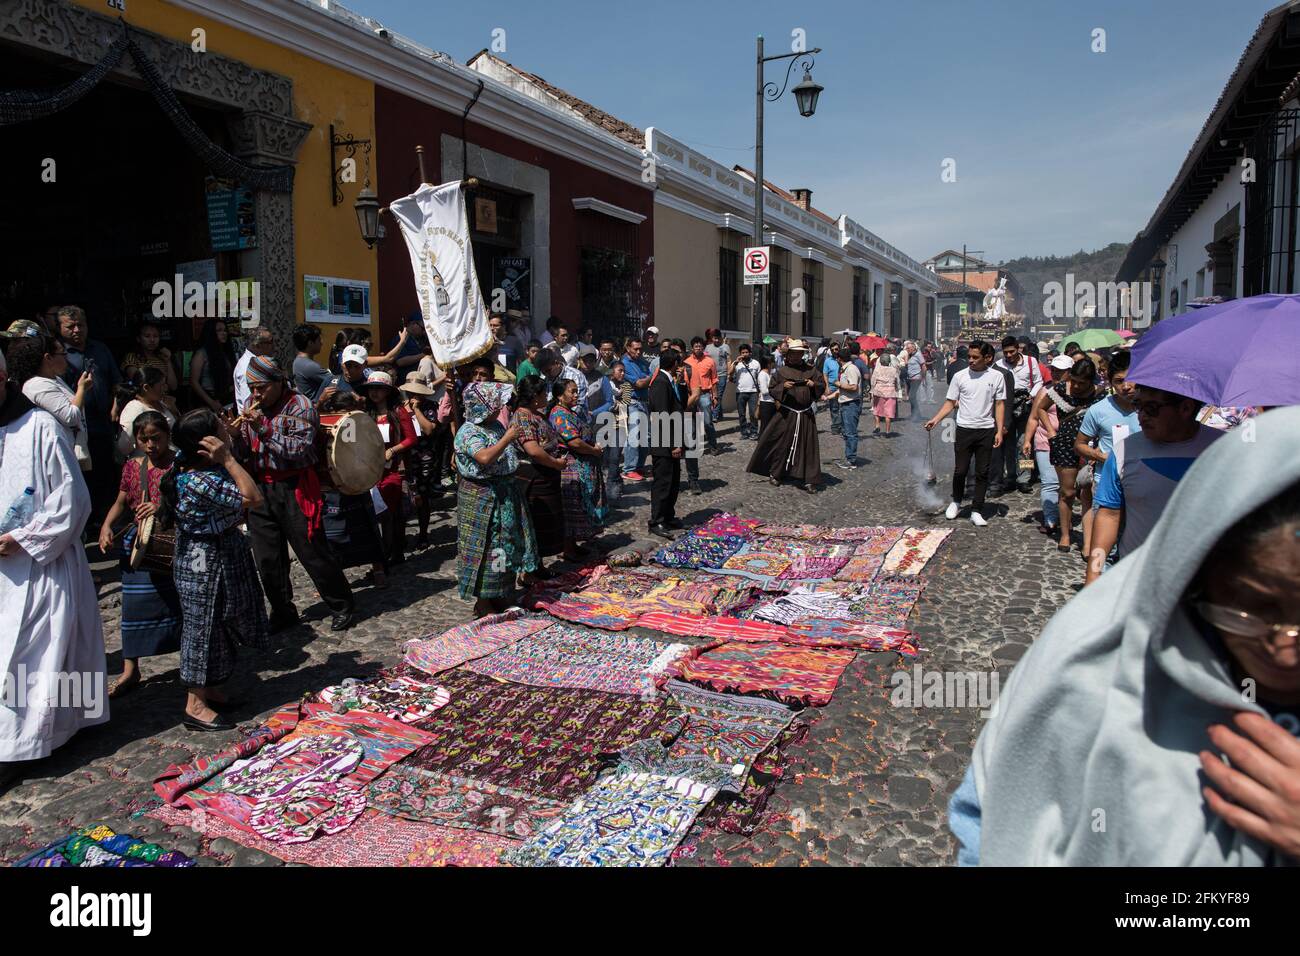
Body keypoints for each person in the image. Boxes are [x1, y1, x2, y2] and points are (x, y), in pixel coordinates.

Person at [950, 406, 1300, 865]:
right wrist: (1094, 569)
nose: (1285, 649)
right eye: (1255, 609)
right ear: (1202, 574)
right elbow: (991, 816)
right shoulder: (1092, 659)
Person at [0, 379, 109, 763]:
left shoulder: (42, 427)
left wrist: (24, 538)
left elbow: (73, 498)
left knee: (37, 652)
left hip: (43, 563)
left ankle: (23, 745)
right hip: (5, 572)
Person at [158, 410, 268, 731]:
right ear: (207, 444)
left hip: (218, 551)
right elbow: (253, 497)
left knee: (219, 624)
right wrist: (228, 458)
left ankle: (214, 689)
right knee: (202, 626)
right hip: (203, 559)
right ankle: (194, 704)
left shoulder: (189, 460)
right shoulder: (198, 480)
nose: (225, 429)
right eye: (220, 428)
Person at [234, 355, 356, 632]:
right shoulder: (250, 405)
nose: (256, 394)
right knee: (267, 558)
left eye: (261, 387)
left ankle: (341, 604)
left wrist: (262, 429)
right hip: (260, 488)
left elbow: (298, 450)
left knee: (312, 551)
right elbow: (245, 452)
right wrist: (235, 437)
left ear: (278, 382)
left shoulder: (301, 405)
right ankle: (282, 610)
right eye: (252, 388)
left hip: (293, 486)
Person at [1086, 384, 1223, 584]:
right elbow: (1109, 515)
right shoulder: (1124, 450)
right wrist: (1093, 574)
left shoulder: (1225, 449)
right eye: (1138, 406)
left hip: (1203, 585)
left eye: (1151, 408)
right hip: (1136, 580)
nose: (1141, 416)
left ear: (1185, 408)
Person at [96, 411, 181, 697]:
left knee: (179, 606)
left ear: (167, 436)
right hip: (137, 546)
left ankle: (191, 662)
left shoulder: (181, 465)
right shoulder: (132, 466)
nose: (150, 445)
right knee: (133, 609)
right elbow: (121, 502)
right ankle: (130, 669)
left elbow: (189, 501)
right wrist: (106, 526)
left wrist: (161, 508)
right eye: (144, 439)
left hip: (170, 543)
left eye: (156, 438)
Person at [453, 381, 536, 616]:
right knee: (487, 548)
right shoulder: (469, 432)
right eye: (494, 404)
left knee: (504, 546)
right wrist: (508, 438)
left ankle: (501, 594)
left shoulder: (496, 426)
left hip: (505, 495)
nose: (499, 408)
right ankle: (483, 601)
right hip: (483, 499)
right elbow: (484, 457)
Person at [925, 340, 1006, 528]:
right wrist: (935, 420)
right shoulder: (960, 376)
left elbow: (1000, 404)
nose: (971, 360)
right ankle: (956, 501)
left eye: (975, 357)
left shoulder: (996, 377)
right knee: (960, 470)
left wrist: (999, 430)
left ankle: (977, 509)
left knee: (982, 472)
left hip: (986, 429)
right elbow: (950, 402)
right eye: (969, 356)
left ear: (987, 358)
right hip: (964, 429)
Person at [1031, 357, 1103, 555]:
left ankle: (1087, 542)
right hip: (1064, 444)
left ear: (1091, 381)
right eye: (1075, 381)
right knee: (1068, 492)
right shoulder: (1061, 389)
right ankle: (1065, 534)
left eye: (1082, 383)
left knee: (1087, 493)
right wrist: (1051, 431)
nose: (1077, 386)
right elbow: (1041, 408)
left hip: (1089, 445)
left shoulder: (1100, 394)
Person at [55, 306, 119, 517]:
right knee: (81, 474)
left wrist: (116, 405)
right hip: (75, 426)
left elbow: (115, 380)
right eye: (70, 326)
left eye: (80, 325)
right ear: (60, 328)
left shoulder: (100, 349)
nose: (76, 330)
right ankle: (86, 519)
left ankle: (105, 517)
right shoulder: (58, 355)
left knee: (106, 469)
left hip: (103, 422)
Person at [509, 374, 569, 579]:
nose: (547, 396)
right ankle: (528, 573)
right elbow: (533, 450)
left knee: (544, 525)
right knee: (533, 524)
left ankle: (538, 567)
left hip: (546, 475)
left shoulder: (536, 414)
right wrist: (556, 463)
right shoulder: (523, 417)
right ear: (535, 396)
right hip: (532, 477)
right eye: (544, 393)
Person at [746, 338, 825, 494]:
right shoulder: (781, 371)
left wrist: (813, 385)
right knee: (781, 444)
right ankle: (776, 473)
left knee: (808, 447)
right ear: (789, 354)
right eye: (793, 353)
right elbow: (772, 388)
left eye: (799, 353)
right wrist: (783, 386)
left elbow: (821, 387)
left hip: (805, 415)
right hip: (787, 414)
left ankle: (809, 479)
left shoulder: (812, 370)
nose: (796, 356)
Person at [9, 335, 91, 471]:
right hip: (56, 459)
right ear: (48, 358)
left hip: (69, 454)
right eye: (63, 354)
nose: (66, 358)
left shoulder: (55, 379)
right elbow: (70, 417)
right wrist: (82, 389)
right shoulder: (37, 385)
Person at [548, 378, 608, 556]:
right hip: (572, 468)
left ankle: (573, 545)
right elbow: (574, 442)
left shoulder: (569, 412)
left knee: (578, 506)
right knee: (572, 508)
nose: (576, 395)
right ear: (560, 396)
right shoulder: (559, 414)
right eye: (572, 391)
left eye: (576, 391)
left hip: (582, 464)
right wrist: (594, 451)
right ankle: (568, 548)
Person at [365, 370, 417, 566]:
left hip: (393, 470)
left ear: (387, 391)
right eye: (371, 389)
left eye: (379, 388)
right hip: (370, 470)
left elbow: (411, 438)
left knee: (391, 513)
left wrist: (393, 450)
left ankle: (391, 552)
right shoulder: (365, 413)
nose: (374, 393)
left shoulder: (398, 411)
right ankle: (381, 553)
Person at [1021, 355, 1072, 536]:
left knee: (1067, 485)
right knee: (1050, 482)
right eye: (1054, 370)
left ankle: (1065, 517)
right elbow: (1034, 418)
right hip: (1045, 441)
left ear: (1070, 372)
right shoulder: (1045, 391)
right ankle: (1050, 520)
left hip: (1069, 443)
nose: (1056, 374)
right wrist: (1027, 440)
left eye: (1061, 371)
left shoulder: (1076, 392)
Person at [399, 373, 445, 549]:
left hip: (425, 458)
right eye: (410, 392)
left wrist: (417, 410)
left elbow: (429, 430)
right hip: (405, 457)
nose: (413, 396)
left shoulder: (431, 407)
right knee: (403, 497)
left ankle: (423, 534)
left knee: (422, 498)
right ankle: (400, 536)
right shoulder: (399, 408)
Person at [993, 335, 1043, 495]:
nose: (1009, 355)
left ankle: (1025, 478)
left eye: (1012, 352)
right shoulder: (998, 365)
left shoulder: (1031, 362)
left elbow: (1038, 381)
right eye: (1006, 352)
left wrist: (1031, 395)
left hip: (1025, 407)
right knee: (1008, 445)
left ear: (1018, 349)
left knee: (1025, 444)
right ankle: (1010, 476)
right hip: (1006, 407)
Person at [646, 347, 686, 539]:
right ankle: (657, 520)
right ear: (674, 364)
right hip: (664, 443)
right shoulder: (661, 383)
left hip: (671, 440)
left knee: (673, 482)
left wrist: (682, 383)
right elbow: (662, 416)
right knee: (663, 483)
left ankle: (668, 516)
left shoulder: (669, 381)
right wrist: (673, 444)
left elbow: (680, 405)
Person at [114, 366, 179, 462]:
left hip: (171, 460)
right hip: (148, 464)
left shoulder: (163, 404)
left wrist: (173, 409)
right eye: (161, 385)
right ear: (146, 388)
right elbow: (125, 446)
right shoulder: (134, 409)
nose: (165, 388)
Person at [619, 336, 654, 482]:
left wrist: (648, 379)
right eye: (636, 349)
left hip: (644, 402)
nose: (639, 352)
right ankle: (629, 469)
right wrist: (652, 377)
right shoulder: (624, 364)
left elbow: (646, 380)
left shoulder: (642, 362)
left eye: (640, 349)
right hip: (633, 402)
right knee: (634, 435)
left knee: (647, 437)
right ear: (628, 348)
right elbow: (639, 383)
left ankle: (639, 466)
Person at [190, 317, 237, 413]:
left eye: (225, 330)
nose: (224, 333)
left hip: (226, 399)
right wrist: (211, 402)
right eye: (219, 330)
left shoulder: (226, 352)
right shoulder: (201, 354)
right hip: (208, 399)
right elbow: (194, 382)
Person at [121, 320, 178, 395]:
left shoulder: (162, 358)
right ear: (138, 339)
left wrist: (168, 361)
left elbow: (173, 386)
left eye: (156, 336)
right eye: (147, 336)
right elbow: (139, 382)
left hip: (163, 400)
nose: (152, 340)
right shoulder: (132, 357)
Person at [684, 337, 719, 454]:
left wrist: (715, 396)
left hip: (705, 394)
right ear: (692, 348)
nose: (698, 348)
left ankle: (713, 445)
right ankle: (692, 446)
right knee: (692, 422)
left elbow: (714, 380)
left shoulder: (710, 361)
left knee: (707, 422)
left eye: (700, 346)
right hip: (691, 395)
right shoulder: (687, 362)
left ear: (703, 348)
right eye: (696, 346)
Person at [833, 343, 864, 468]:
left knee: (850, 433)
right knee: (846, 432)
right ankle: (848, 457)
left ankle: (851, 460)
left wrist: (839, 384)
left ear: (839, 359)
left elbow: (853, 386)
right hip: (846, 403)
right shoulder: (847, 368)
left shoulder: (851, 369)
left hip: (851, 404)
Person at [232, 327, 276, 413]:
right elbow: (250, 406)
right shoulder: (247, 369)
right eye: (270, 342)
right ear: (257, 345)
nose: (274, 345)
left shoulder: (259, 361)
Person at [292, 323, 330, 401]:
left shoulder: (299, 361)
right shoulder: (309, 366)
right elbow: (336, 382)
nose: (321, 343)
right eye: (318, 340)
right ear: (310, 343)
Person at [731, 343, 761, 440]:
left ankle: (754, 432)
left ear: (750, 353)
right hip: (740, 392)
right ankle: (744, 432)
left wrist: (760, 391)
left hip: (753, 392)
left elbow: (759, 377)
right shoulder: (736, 364)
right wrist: (735, 363)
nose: (744, 354)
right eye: (742, 352)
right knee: (741, 414)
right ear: (740, 353)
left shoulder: (756, 363)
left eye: (746, 352)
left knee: (753, 413)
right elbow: (729, 373)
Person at [869, 351, 900, 437]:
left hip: (878, 392)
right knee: (888, 413)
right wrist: (897, 389)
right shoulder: (894, 370)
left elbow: (873, 381)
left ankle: (877, 425)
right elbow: (897, 381)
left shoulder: (877, 369)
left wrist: (872, 389)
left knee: (877, 410)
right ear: (889, 361)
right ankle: (887, 431)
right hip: (890, 393)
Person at [706, 330, 731, 423]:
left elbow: (728, 361)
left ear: (721, 338)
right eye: (714, 338)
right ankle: (719, 414)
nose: (716, 340)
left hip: (722, 374)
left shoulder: (725, 347)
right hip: (710, 375)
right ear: (712, 338)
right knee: (712, 395)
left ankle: (714, 415)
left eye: (718, 338)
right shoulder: (708, 347)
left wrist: (729, 373)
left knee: (719, 395)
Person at [821, 342, 842, 437]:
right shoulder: (827, 361)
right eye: (832, 350)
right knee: (834, 408)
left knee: (842, 408)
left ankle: (842, 425)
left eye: (836, 349)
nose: (834, 351)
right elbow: (825, 374)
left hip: (843, 387)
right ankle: (836, 426)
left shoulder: (842, 359)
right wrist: (827, 386)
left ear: (839, 349)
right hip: (832, 387)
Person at [902, 341, 926, 421]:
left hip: (916, 378)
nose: (907, 350)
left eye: (908, 348)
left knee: (911, 396)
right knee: (913, 397)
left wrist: (923, 377)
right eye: (906, 348)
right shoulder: (910, 355)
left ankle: (917, 414)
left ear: (913, 348)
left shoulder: (918, 354)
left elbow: (924, 367)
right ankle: (914, 414)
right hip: (910, 378)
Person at [756, 353, 777, 435]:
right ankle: (762, 441)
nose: (774, 363)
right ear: (768, 363)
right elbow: (764, 391)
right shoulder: (762, 374)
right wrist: (776, 389)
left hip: (772, 402)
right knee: (765, 426)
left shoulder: (770, 374)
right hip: (766, 403)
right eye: (773, 361)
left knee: (771, 427)